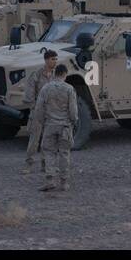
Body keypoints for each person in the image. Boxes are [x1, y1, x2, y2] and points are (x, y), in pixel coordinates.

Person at [32, 64, 79, 192]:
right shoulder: (69, 89)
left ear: (55, 73)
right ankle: (64, 182)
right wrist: (73, 122)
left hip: (50, 125)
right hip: (65, 126)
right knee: (64, 153)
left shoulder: (46, 88)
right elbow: (73, 110)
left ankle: (50, 180)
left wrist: (42, 122)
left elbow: (39, 108)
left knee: (49, 153)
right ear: (65, 73)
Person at [21, 50, 59, 174]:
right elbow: (29, 94)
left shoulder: (55, 75)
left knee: (48, 140)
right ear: (46, 60)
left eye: (55, 59)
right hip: (38, 111)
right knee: (34, 140)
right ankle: (28, 164)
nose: (55, 61)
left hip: (51, 112)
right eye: (53, 59)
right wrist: (34, 108)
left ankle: (45, 165)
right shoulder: (36, 75)